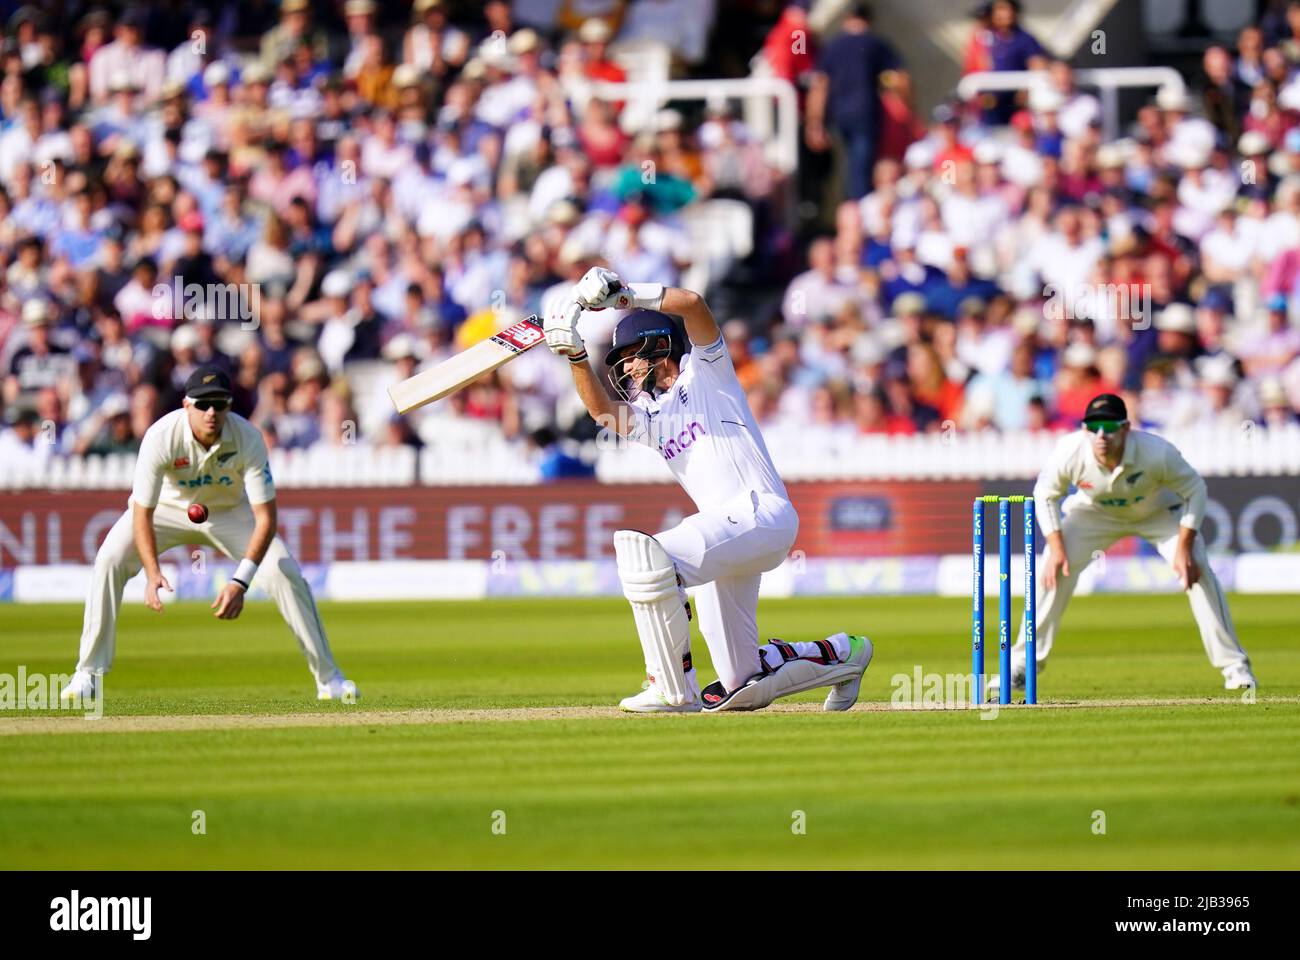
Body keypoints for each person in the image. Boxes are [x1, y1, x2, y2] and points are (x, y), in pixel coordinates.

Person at [542, 267, 874, 712]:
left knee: (649, 558)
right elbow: (603, 413)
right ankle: (845, 655)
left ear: (657, 346)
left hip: (761, 512)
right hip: (732, 535)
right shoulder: (651, 420)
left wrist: (623, 296)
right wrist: (575, 355)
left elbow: (694, 305)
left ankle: (669, 686)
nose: (623, 370)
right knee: (742, 683)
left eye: (628, 359)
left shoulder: (706, 373)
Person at [59, 366, 357, 703]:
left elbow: (266, 518)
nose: (211, 412)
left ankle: (329, 678)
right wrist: (152, 570)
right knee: (109, 559)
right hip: (168, 509)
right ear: (186, 405)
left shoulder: (248, 438)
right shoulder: (161, 436)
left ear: (229, 405)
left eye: (219, 403)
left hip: (229, 513)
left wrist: (240, 582)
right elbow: (142, 510)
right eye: (202, 405)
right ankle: (89, 673)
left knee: (283, 569)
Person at [993, 393, 1255, 698]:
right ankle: (1022, 663)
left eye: (1109, 426)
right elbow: (1045, 494)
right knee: (1051, 569)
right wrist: (1057, 545)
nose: (1101, 435)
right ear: (1084, 429)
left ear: (1126, 427)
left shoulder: (1155, 452)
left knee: (1197, 573)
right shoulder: (1070, 451)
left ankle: (1235, 668)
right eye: (1093, 427)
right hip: (1094, 514)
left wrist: (1184, 546)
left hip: (1157, 513)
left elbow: (1195, 489)